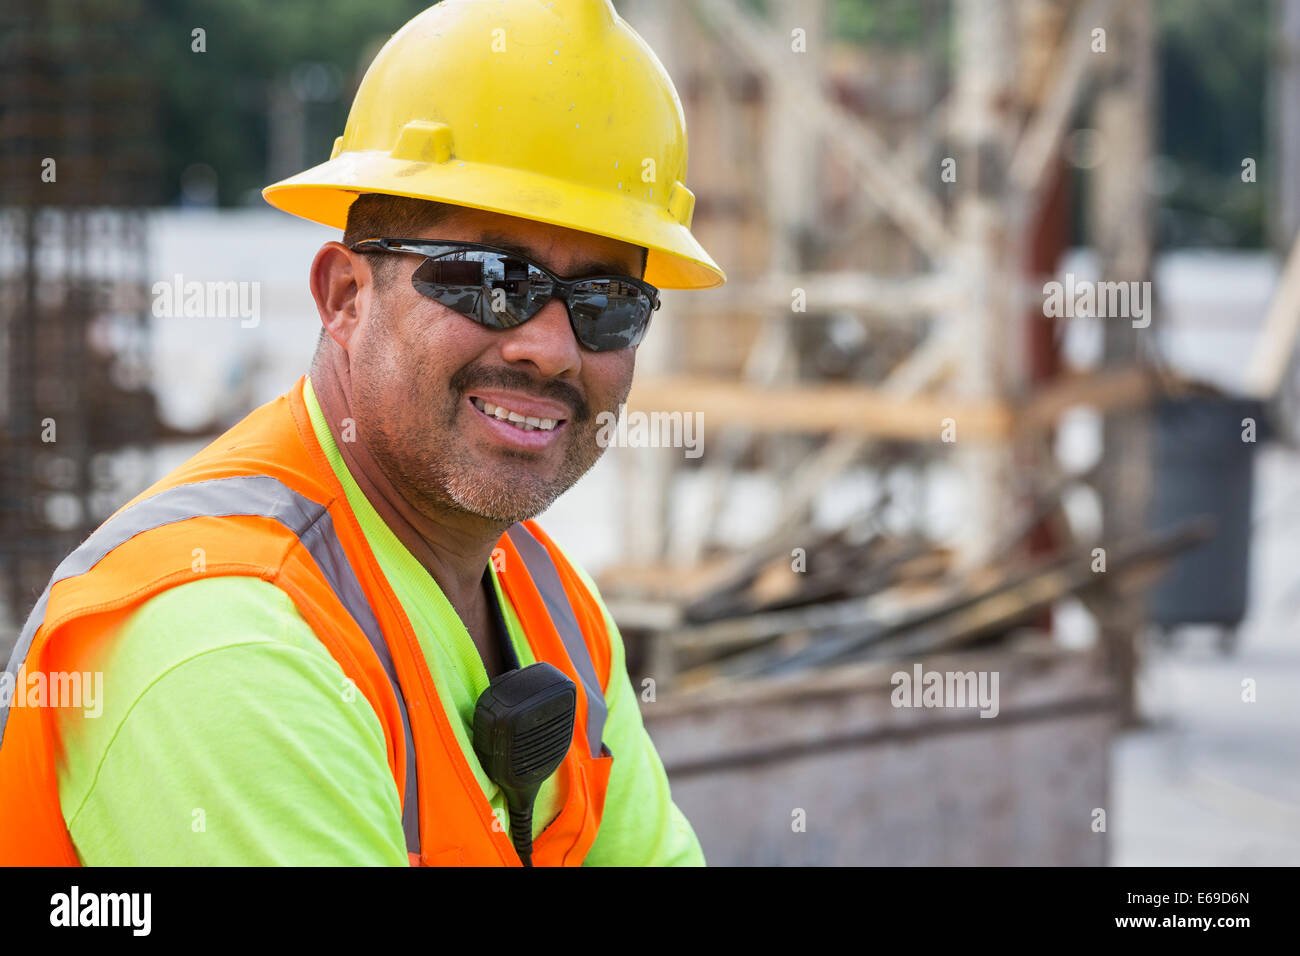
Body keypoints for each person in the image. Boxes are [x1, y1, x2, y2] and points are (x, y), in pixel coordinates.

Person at [0, 0, 725, 866]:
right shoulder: (225, 642)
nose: (551, 348)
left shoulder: (555, 609)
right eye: (493, 281)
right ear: (346, 297)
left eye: (609, 304)